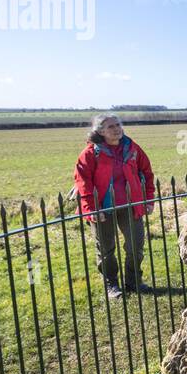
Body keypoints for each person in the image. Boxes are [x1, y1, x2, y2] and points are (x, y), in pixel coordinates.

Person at [73, 114, 156, 299]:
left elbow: (147, 172)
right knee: (106, 249)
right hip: (102, 207)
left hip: (130, 204)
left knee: (136, 244)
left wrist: (148, 199)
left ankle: (134, 281)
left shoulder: (131, 147)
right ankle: (111, 284)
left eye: (118, 124)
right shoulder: (89, 153)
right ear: (100, 131)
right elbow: (83, 182)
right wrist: (91, 208)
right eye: (111, 126)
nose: (117, 129)